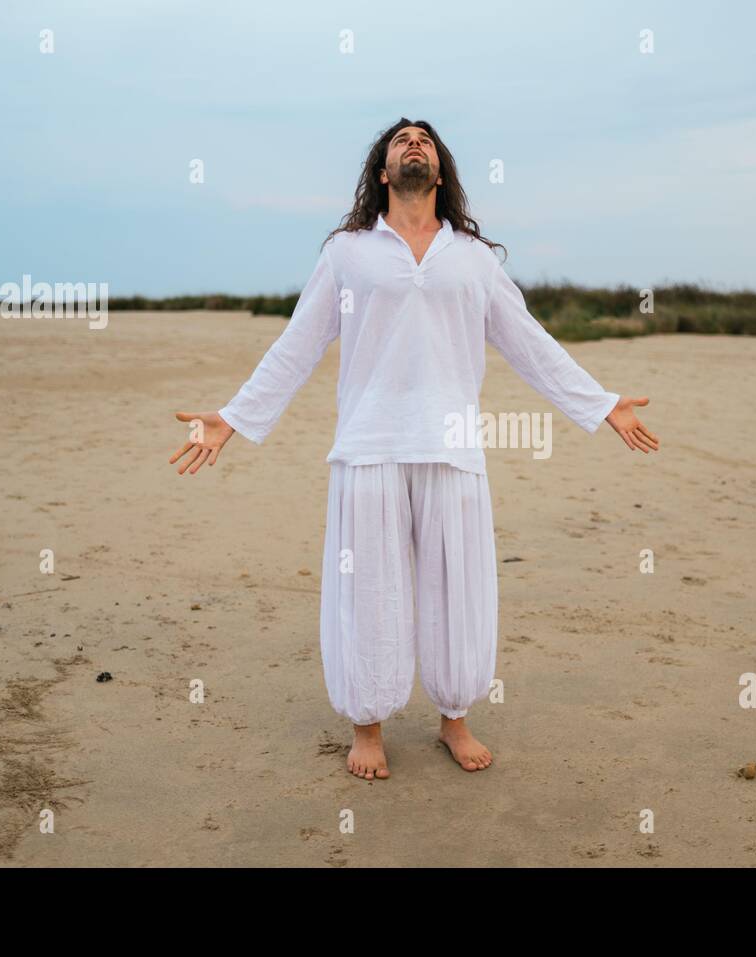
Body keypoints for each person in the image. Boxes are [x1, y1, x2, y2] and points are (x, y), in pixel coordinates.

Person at [169, 118, 659, 780]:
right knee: (367, 588)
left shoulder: (474, 258)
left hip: (453, 447)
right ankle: (367, 726)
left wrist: (600, 402)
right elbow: (298, 343)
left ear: (440, 169)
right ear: (381, 170)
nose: (414, 143)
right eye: (401, 138)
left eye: (425, 137)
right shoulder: (347, 253)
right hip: (369, 444)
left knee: (459, 588)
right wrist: (233, 417)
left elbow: (528, 341)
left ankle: (452, 719)